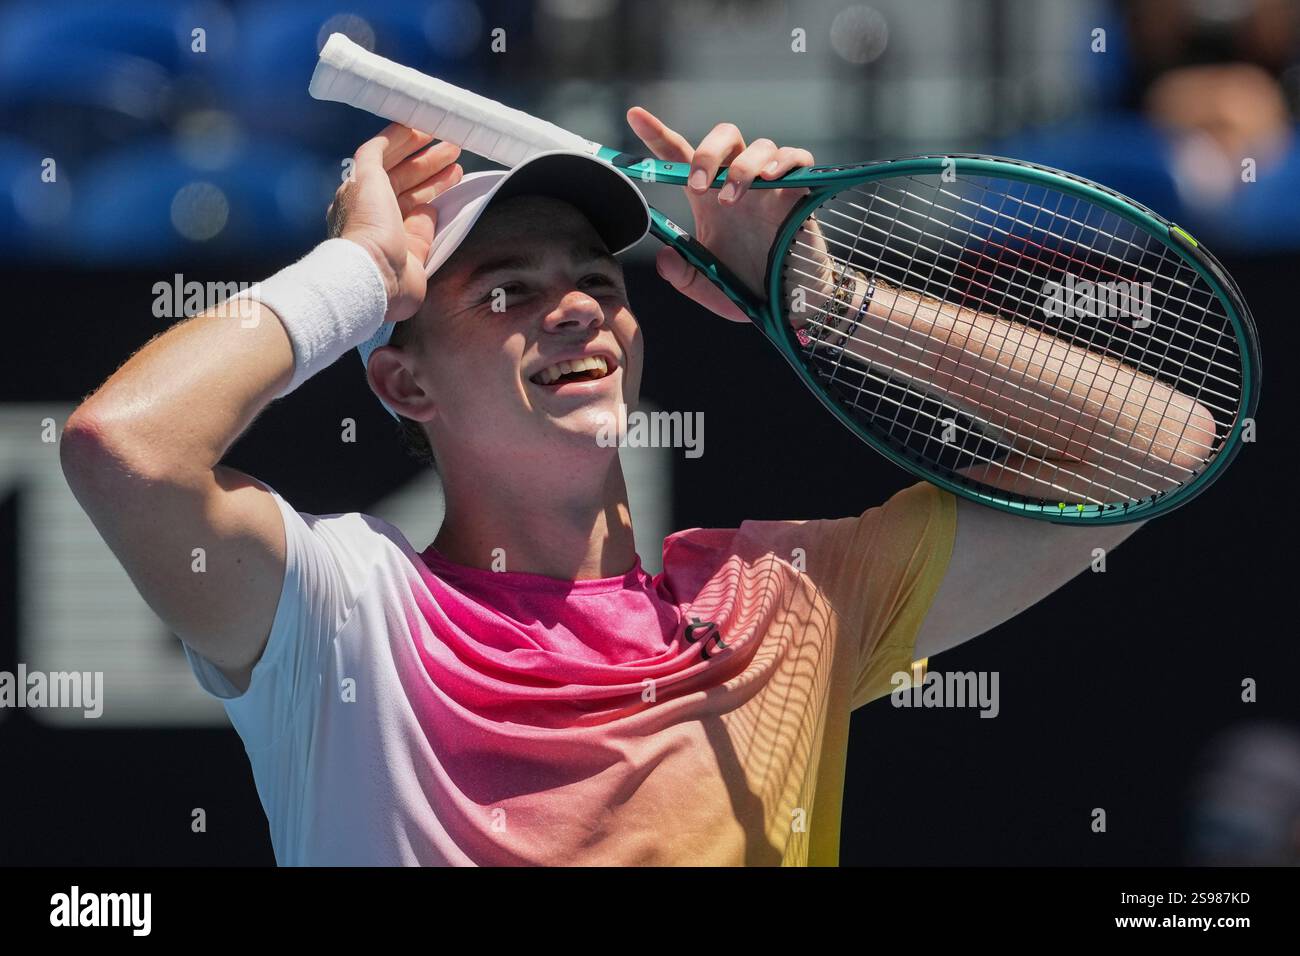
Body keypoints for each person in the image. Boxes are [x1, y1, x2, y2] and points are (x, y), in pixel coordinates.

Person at [60, 109, 1149, 865]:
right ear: (403, 380)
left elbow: (1151, 448)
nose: (578, 307)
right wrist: (361, 274)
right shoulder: (337, 611)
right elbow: (124, 444)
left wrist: (821, 299)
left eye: (593, 278)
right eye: (507, 294)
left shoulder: (792, 597)